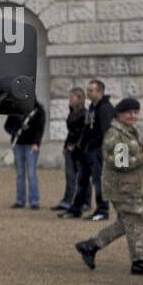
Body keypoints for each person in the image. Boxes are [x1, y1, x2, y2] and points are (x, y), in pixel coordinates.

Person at [75, 98, 143, 275]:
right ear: (119, 114)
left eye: (136, 112)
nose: (133, 116)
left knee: (126, 223)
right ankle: (139, 261)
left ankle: (90, 246)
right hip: (121, 187)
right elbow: (120, 162)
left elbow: (127, 161)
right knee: (134, 222)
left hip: (127, 186)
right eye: (129, 112)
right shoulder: (117, 134)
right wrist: (142, 159)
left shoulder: (129, 132)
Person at [59, 79, 114, 220]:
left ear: (100, 92)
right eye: (88, 90)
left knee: (98, 181)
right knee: (82, 180)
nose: (88, 92)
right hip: (86, 151)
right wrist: (81, 144)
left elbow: (105, 132)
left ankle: (102, 210)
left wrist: (93, 146)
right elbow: (87, 128)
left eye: (91, 90)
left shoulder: (105, 108)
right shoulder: (92, 107)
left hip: (97, 151)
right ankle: (76, 209)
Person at [3, 96, 44, 208]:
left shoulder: (38, 110)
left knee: (31, 173)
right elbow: (7, 126)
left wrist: (37, 143)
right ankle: (20, 200)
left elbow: (40, 128)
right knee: (20, 174)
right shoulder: (15, 109)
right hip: (18, 144)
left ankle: (34, 201)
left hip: (31, 145)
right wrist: (14, 132)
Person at [53, 86, 85, 211]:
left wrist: (78, 146)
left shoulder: (84, 114)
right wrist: (66, 146)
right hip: (71, 149)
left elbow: (83, 133)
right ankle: (67, 201)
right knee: (70, 176)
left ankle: (84, 202)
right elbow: (70, 132)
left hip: (80, 150)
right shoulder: (72, 112)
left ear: (79, 98)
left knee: (82, 177)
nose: (70, 99)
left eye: (72, 97)